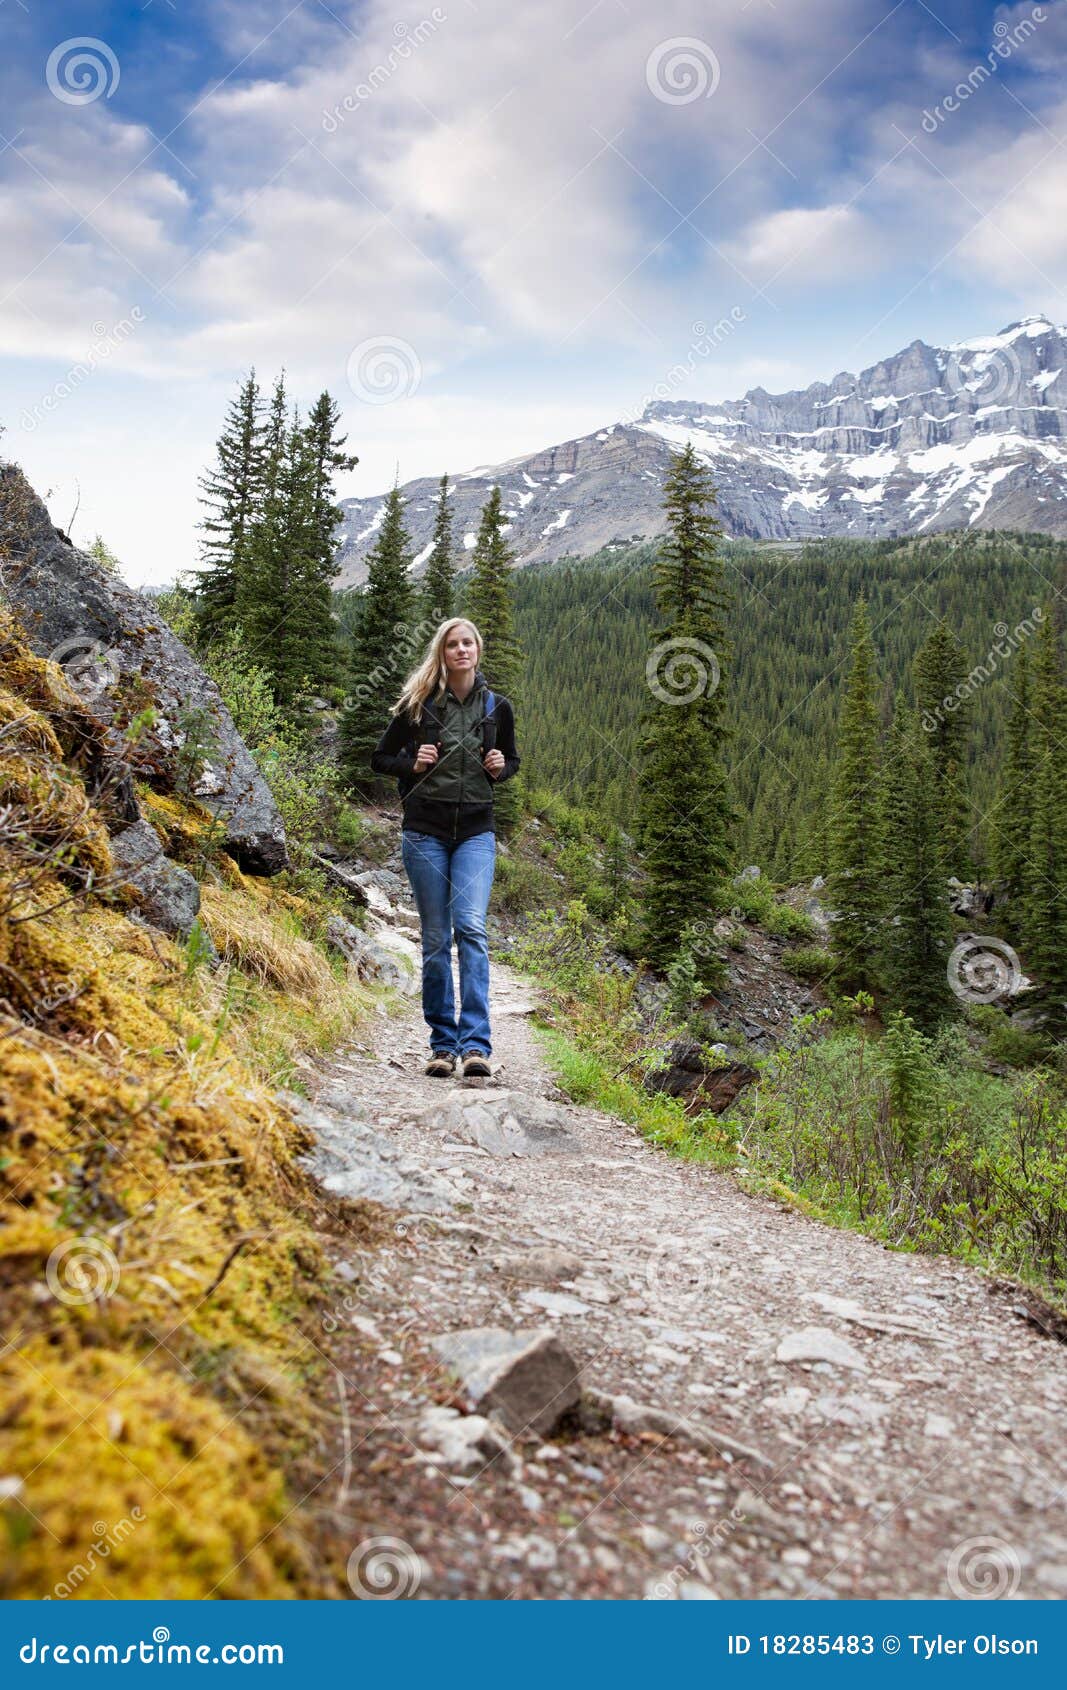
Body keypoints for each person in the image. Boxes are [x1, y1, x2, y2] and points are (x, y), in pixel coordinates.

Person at [370, 617, 520, 1079]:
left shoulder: (497, 708)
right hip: (424, 832)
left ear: (478, 650)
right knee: (436, 940)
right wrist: (411, 765)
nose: (461, 650)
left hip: (476, 832)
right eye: (453, 644)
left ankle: (476, 1046)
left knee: (471, 929)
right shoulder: (418, 706)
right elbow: (380, 758)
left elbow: (511, 761)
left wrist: (501, 766)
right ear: (442, 652)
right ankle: (442, 1045)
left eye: (468, 643)